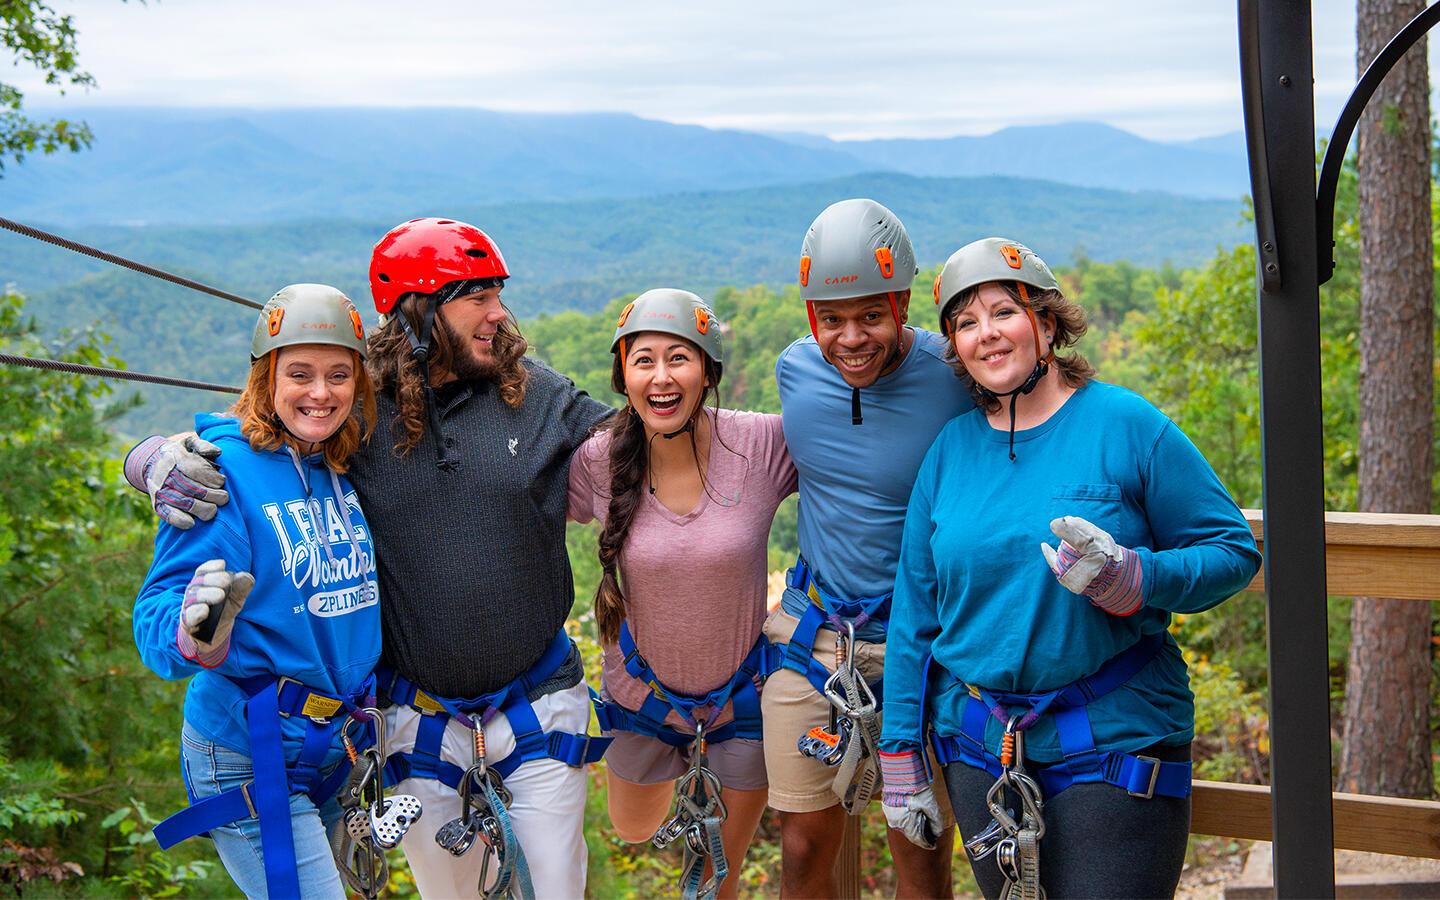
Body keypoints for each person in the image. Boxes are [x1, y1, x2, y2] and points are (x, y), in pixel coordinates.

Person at [127, 218, 613, 899]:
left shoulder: (359, 443)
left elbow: (629, 448)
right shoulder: (286, 451)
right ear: (423, 312)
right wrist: (151, 462)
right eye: (478, 295)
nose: (320, 392)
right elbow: (245, 451)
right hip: (291, 741)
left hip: (354, 742)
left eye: (335, 376)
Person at [878, 237, 1262, 898]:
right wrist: (898, 750)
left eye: (1004, 312)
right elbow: (916, 613)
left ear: (1047, 323)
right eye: (966, 323)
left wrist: (1138, 579)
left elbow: (1232, 551)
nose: (987, 334)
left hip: (1112, 742)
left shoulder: (1125, 425)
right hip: (979, 750)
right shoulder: (949, 453)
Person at [130, 284, 382, 899]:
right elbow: (154, 614)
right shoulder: (220, 477)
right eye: (299, 374)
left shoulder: (344, 463)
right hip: (249, 750)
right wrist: (197, 634)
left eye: (338, 375)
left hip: (335, 747)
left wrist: (140, 456)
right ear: (265, 378)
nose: (320, 393)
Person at [764, 198, 966, 898]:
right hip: (817, 637)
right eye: (832, 320)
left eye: (871, 316)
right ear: (811, 315)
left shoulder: (953, 377)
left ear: (903, 303)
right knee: (801, 844)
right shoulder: (796, 370)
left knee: (920, 846)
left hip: (927, 646)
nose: (851, 338)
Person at [569, 289, 797, 899]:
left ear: (708, 371)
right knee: (633, 827)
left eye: (680, 358)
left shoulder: (760, 445)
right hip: (642, 699)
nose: (662, 377)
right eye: (644, 360)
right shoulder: (599, 460)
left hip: (739, 702)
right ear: (623, 374)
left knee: (717, 878)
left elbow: (858, 462)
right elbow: (517, 511)